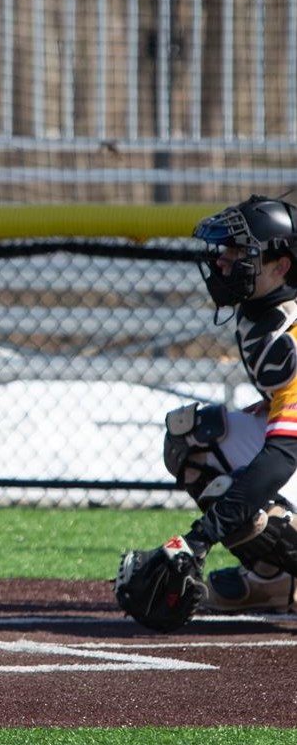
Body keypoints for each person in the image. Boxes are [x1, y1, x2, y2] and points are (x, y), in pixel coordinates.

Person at [126, 194, 297, 627]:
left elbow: (280, 459)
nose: (223, 261)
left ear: (281, 266)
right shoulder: (269, 310)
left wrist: (199, 539)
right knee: (194, 439)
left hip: (288, 454)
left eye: (241, 253)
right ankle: (273, 580)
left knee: (246, 480)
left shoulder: (288, 341)